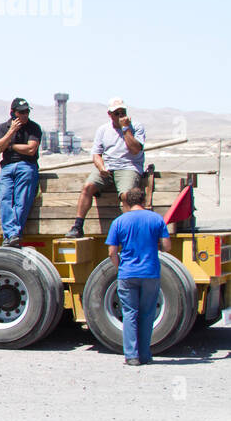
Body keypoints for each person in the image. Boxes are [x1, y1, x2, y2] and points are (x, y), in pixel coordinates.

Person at [106, 186, 171, 365]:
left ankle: (132, 356)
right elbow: (167, 246)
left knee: (129, 314)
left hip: (127, 274)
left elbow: (112, 251)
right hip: (150, 272)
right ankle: (146, 355)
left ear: (127, 201)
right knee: (147, 314)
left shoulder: (119, 222)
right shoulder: (156, 219)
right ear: (144, 201)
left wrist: (119, 267)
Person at [66, 98, 146, 238]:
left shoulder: (136, 127)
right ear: (110, 114)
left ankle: (130, 231)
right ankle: (78, 226)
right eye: (117, 113)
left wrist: (126, 129)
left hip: (128, 166)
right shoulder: (103, 130)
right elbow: (96, 154)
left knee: (126, 195)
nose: (121, 115)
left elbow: (135, 150)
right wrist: (101, 167)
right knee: (87, 187)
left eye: (123, 112)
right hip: (107, 166)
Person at [0, 97, 42, 247]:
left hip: (26, 165)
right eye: (21, 112)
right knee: (6, 200)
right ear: (13, 113)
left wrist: (11, 146)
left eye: (27, 111)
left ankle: (12, 235)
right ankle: (13, 234)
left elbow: (31, 149)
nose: (25, 115)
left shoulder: (34, 128)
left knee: (22, 201)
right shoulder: (3, 128)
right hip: (7, 167)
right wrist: (11, 132)